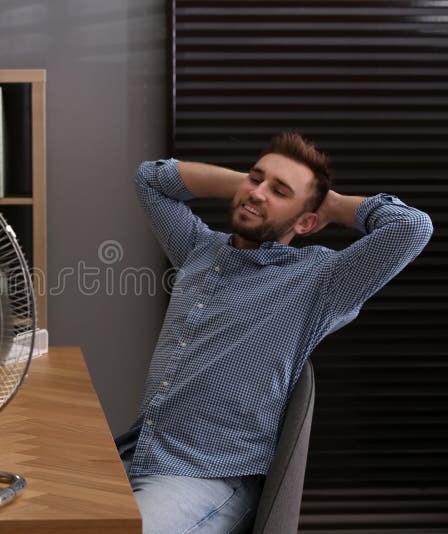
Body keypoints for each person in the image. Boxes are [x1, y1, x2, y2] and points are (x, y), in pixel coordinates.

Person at [117, 132, 433, 534]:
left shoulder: (320, 281)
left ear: (306, 222)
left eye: (280, 191)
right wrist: (251, 188)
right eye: (257, 177)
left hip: (207, 477)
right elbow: (150, 179)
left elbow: (411, 227)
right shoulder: (199, 249)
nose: (259, 192)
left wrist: (327, 203)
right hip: (136, 451)